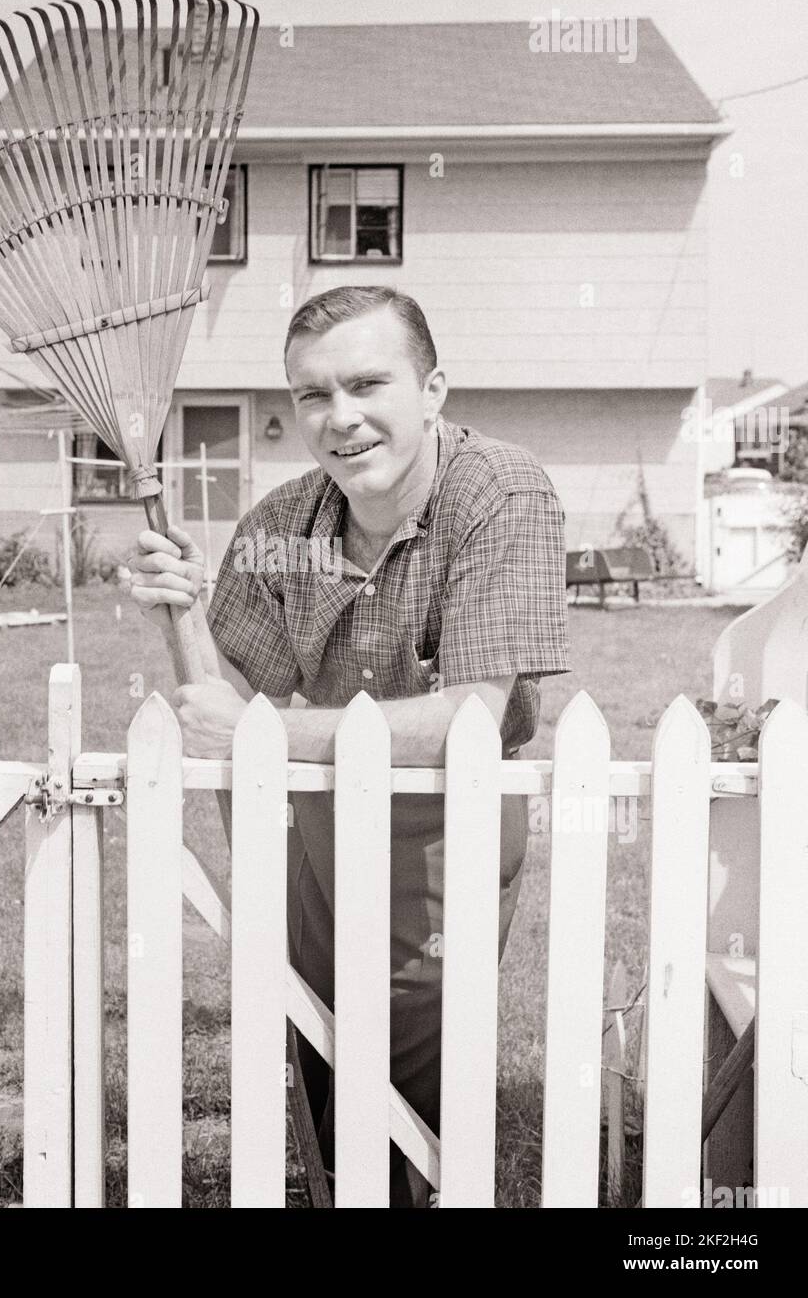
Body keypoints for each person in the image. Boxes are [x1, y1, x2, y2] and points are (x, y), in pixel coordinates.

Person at [125, 285, 571, 1206]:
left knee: (413, 1060)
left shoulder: (502, 494)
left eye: (368, 383)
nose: (341, 418)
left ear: (434, 388)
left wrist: (267, 732)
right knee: (318, 1040)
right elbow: (233, 693)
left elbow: (472, 717)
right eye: (313, 395)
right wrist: (180, 613)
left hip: (449, 830)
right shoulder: (281, 525)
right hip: (320, 827)